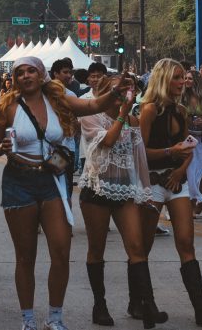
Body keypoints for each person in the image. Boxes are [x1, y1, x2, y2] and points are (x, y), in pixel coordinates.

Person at [0, 56, 115, 330]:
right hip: (19, 181)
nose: (26, 76)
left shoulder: (57, 100)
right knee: (25, 256)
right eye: (21, 72)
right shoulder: (8, 106)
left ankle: (55, 317)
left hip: (53, 180)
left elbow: (93, 104)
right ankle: (27, 320)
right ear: (15, 78)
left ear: (42, 74)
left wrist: (117, 89)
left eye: (32, 71)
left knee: (60, 249)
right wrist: (3, 147)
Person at [136, 59, 202, 327]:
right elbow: (140, 153)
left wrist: (181, 167)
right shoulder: (149, 110)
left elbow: (188, 145)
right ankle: (143, 304)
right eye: (176, 78)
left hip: (177, 181)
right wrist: (169, 154)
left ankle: (200, 307)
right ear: (163, 80)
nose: (182, 82)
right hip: (152, 181)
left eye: (183, 77)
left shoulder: (182, 110)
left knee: (186, 242)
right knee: (143, 246)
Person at [75, 74, 162, 329]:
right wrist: (123, 113)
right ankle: (99, 305)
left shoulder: (133, 120)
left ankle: (147, 304)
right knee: (97, 249)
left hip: (125, 191)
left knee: (137, 247)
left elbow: (139, 159)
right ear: (106, 92)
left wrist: (144, 193)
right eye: (120, 88)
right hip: (97, 190)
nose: (126, 92)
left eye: (130, 88)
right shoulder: (91, 117)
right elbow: (109, 140)